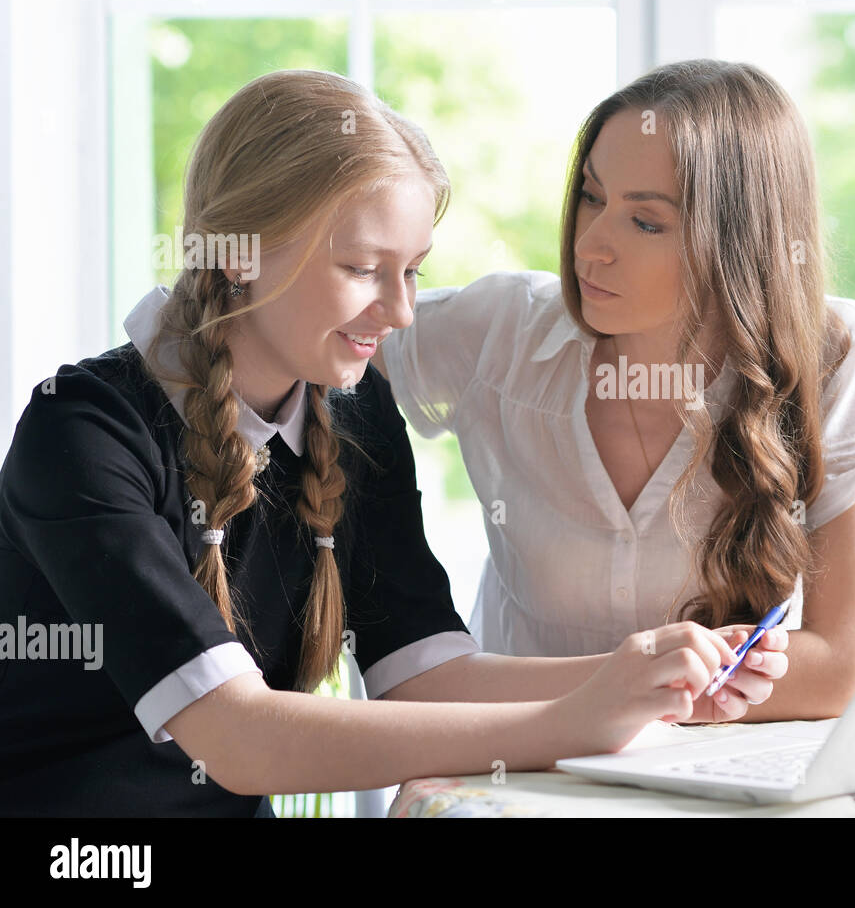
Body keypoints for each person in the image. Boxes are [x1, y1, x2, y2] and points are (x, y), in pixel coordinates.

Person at [0, 69, 785, 817]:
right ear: (239, 252)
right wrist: (579, 720)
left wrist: (648, 677)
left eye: (411, 271)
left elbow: (422, 674)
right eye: (362, 268)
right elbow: (236, 736)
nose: (402, 311)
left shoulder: (354, 408)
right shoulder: (81, 431)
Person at [374, 59, 855, 723]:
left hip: (727, 781)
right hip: (521, 771)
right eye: (591, 195)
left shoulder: (838, 357)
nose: (591, 245)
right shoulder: (502, 334)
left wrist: (654, 697)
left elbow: (844, 664)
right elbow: (322, 339)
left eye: (646, 222)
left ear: (737, 244)